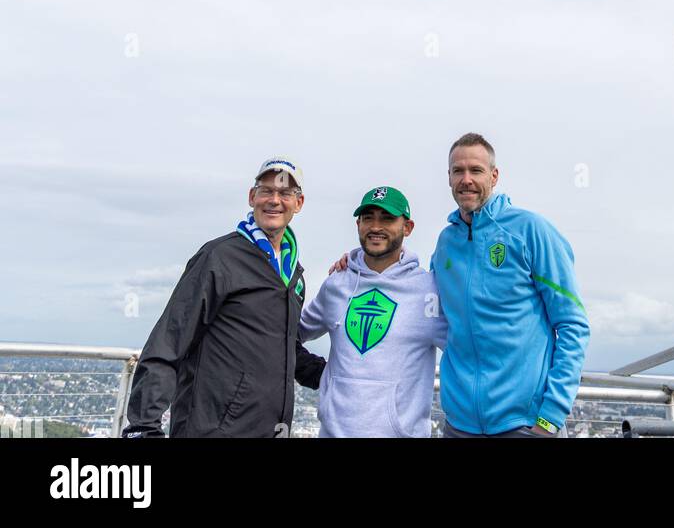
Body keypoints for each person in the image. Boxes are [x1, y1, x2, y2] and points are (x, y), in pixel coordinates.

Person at [122, 156, 325, 438]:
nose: (274, 200)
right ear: (252, 197)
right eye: (266, 190)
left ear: (298, 203)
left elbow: (284, 348)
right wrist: (142, 428)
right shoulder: (218, 258)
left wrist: (332, 376)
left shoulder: (293, 275)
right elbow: (168, 343)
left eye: (285, 193)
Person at [431, 132, 590, 438]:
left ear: (494, 175)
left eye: (476, 170)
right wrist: (355, 261)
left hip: (525, 425)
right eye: (457, 171)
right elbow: (425, 303)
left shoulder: (531, 231)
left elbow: (573, 324)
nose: (466, 179)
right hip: (458, 425)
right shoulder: (445, 243)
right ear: (448, 178)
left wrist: (551, 416)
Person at [300, 185, 447, 437]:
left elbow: (468, 354)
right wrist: (313, 372)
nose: (376, 227)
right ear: (358, 224)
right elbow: (288, 335)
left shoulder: (430, 290)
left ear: (408, 227)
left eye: (387, 218)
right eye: (368, 218)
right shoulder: (337, 283)